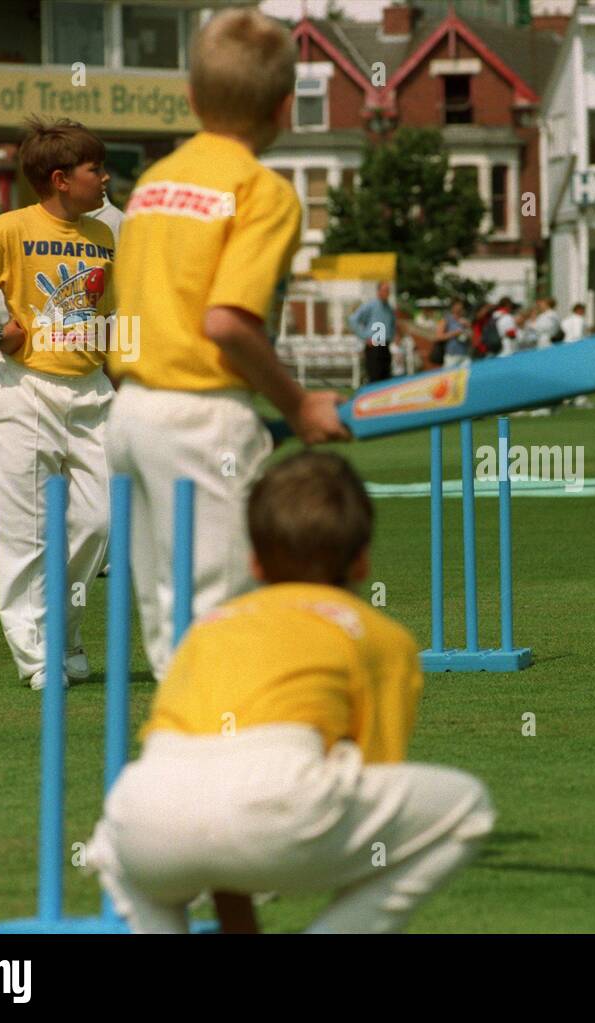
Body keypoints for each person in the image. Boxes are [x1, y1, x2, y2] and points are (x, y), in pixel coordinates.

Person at [86, 451, 495, 934]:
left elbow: (208, 791)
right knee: (467, 807)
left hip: (145, 813)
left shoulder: (208, 628)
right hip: (276, 803)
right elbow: (373, 780)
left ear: (254, 561)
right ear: (361, 561)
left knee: (114, 846)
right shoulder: (380, 637)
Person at [106, 8, 347, 684]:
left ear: (190, 98)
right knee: (222, 612)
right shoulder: (263, 192)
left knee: (167, 618)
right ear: (283, 107)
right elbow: (227, 323)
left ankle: (179, 761)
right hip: (201, 415)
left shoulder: (152, 182)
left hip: (128, 415)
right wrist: (300, 407)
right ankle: (224, 766)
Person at [0, 117, 116, 691]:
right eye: (95, 169)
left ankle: (64, 632)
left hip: (92, 390)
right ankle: (38, 659)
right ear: (60, 179)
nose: (105, 178)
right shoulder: (9, 228)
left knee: (102, 519)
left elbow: (110, 318)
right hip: (25, 389)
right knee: (25, 533)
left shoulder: (105, 236)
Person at [350, 281, 396, 383]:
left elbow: (392, 324)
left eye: (388, 290)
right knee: (374, 377)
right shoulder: (370, 305)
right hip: (374, 346)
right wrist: (365, 337)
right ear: (378, 291)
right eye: (384, 290)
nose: (387, 293)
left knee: (386, 377)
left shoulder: (389, 308)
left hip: (385, 346)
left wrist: (392, 337)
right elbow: (353, 320)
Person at [437, 299, 470, 368]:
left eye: (461, 305)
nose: (459, 307)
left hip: (464, 354)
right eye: (457, 305)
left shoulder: (464, 319)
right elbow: (439, 336)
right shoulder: (446, 319)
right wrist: (454, 333)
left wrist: (467, 327)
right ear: (452, 307)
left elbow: (471, 336)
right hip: (451, 355)